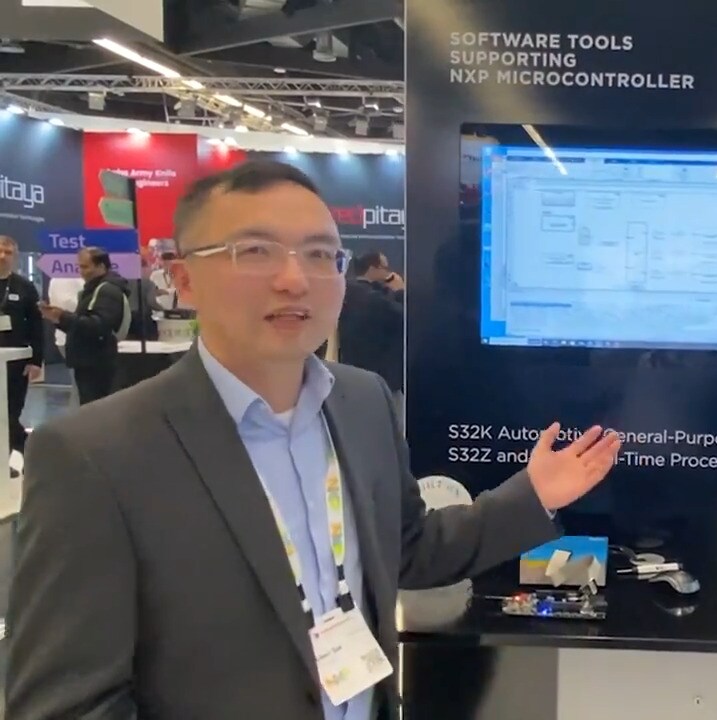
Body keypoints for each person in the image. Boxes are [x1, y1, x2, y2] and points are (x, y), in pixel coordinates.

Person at [6, 159, 623, 720]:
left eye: (321, 254)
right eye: (255, 251)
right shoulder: (97, 457)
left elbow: (408, 549)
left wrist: (534, 494)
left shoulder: (361, 402)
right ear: (184, 278)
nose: (294, 279)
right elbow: (65, 704)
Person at [37, 246, 128, 404]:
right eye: (79, 267)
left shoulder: (106, 290)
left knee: (95, 407)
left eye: (85, 267)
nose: (81, 272)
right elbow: (85, 322)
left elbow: (99, 326)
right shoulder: (94, 289)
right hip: (89, 360)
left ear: (101, 266)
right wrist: (58, 319)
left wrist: (63, 317)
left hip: (96, 362)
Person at [0, 236, 43, 469]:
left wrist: (36, 360)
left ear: (15, 257)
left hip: (16, 363)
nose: (2, 256)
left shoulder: (24, 287)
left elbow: (36, 326)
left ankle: (25, 453)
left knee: (10, 413)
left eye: (7, 252)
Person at [337, 250, 405, 394]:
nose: (389, 273)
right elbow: (404, 318)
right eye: (385, 268)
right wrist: (400, 292)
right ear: (372, 268)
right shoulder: (375, 299)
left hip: (349, 371)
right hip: (381, 379)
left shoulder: (345, 291)